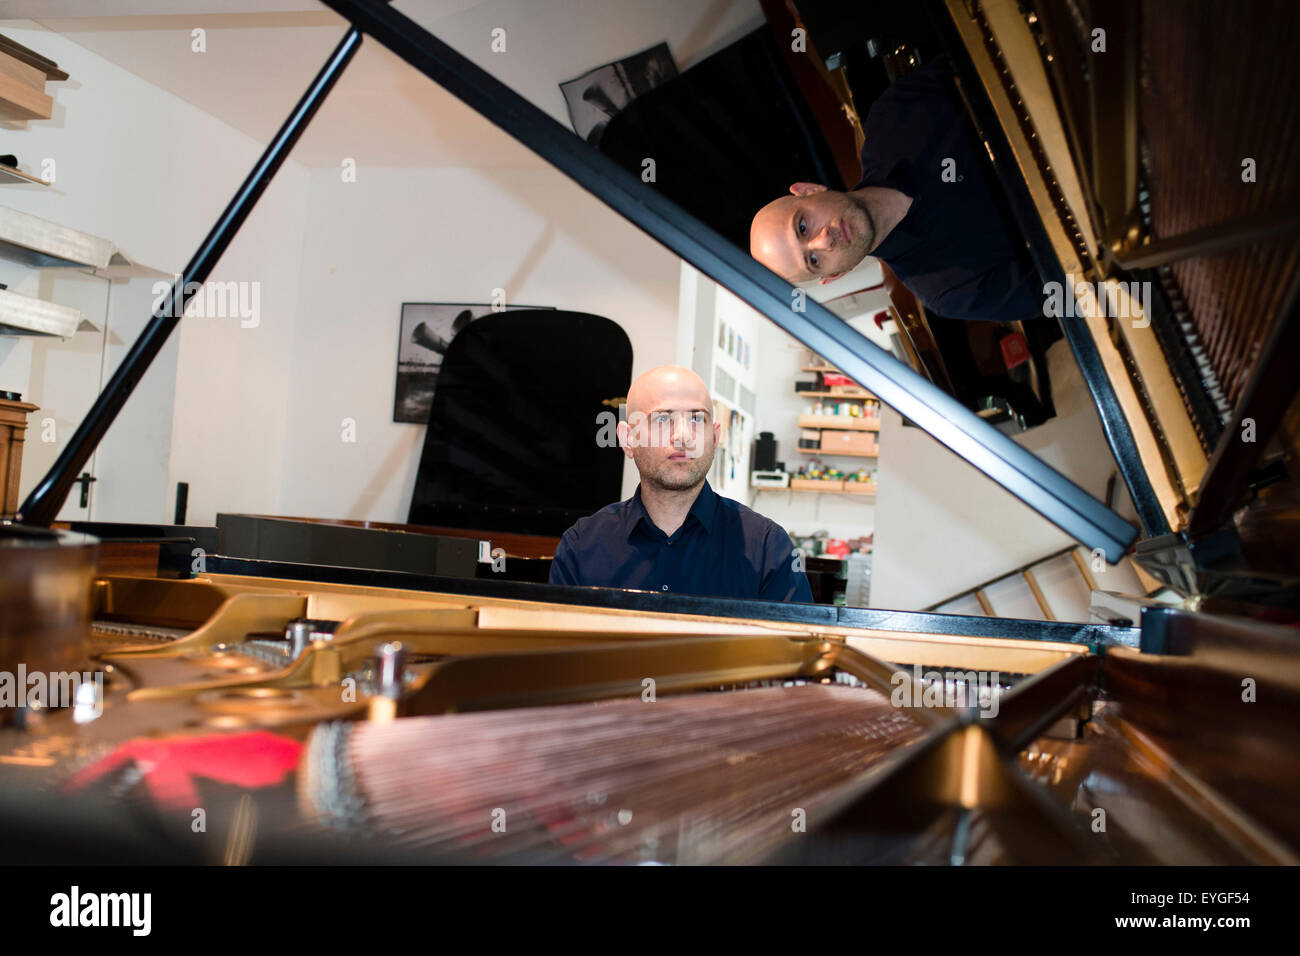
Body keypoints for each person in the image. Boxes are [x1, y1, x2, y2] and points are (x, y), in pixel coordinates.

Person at [749, 55, 1044, 324]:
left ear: (810, 189)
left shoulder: (892, 115)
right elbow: (1078, 295)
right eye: (813, 261)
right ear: (834, 275)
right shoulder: (951, 292)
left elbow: (989, 49)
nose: (824, 241)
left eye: (803, 227)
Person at [549, 365, 813, 602]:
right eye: (662, 419)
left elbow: (795, 652)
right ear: (627, 439)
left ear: (715, 436)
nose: (683, 436)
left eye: (697, 418)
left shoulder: (768, 549)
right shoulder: (581, 547)